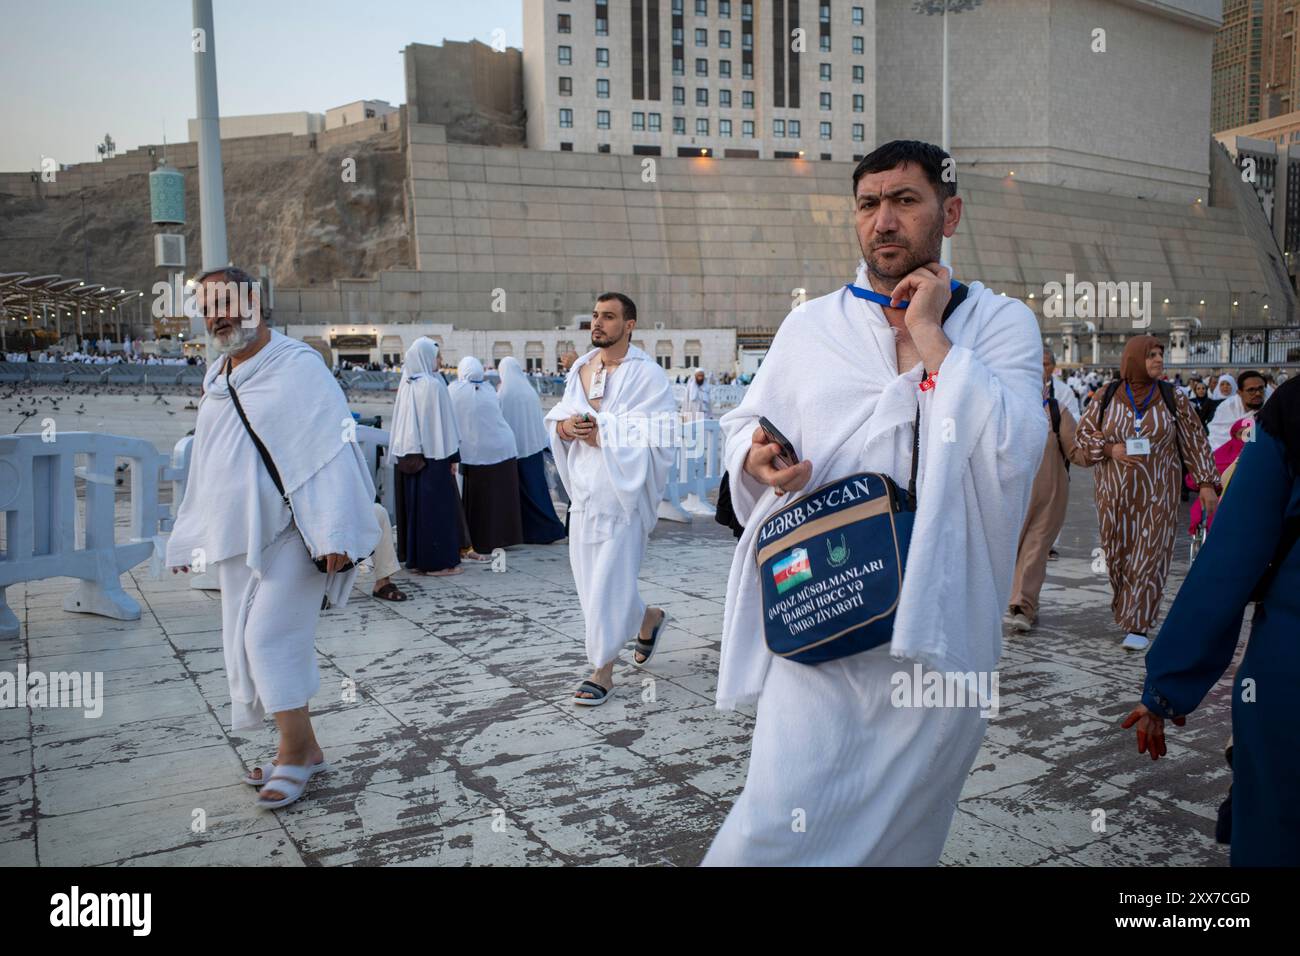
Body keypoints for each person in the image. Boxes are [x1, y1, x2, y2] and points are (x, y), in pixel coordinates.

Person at [703, 140, 1045, 866]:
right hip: (824, 610)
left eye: (904, 201)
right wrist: (757, 460)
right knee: (771, 823)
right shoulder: (811, 326)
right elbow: (744, 425)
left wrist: (928, 330)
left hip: (939, 627)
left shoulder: (998, 322)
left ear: (948, 212)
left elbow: (1015, 448)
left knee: (899, 840)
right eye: (868, 204)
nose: (883, 220)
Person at [166, 266, 380, 810]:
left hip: (302, 530)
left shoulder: (298, 366)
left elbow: (332, 448)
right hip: (246, 535)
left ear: (257, 304)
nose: (219, 315)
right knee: (245, 640)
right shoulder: (218, 380)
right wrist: (189, 537)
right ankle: (305, 747)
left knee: (268, 638)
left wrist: (334, 529)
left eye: (228, 302)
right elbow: (209, 467)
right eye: (209, 305)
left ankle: (292, 755)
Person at [1122, 376, 1300, 865]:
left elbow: (1231, 559)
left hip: (1291, 671)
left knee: (1279, 827)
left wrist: (1166, 686)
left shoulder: (1293, 409)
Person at [545, 292, 677, 706]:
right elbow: (560, 415)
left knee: (608, 582)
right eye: (595, 316)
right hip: (584, 494)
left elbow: (660, 433)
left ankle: (602, 669)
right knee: (591, 582)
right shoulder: (581, 369)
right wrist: (566, 429)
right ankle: (649, 619)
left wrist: (604, 434)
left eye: (608, 317)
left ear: (630, 325)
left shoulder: (647, 376)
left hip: (624, 496)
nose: (597, 324)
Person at [1073, 336, 1218, 651]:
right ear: (1134, 359)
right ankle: (1127, 608)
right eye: (1151, 355)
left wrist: (1206, 482)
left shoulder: (1173, 398)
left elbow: (1195, 440)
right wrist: (1111, 448)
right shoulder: (1106, 396)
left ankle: (1139, 623)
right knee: (1118, 555)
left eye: (1160, 355)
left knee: (1150, 556)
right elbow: (1082, 437)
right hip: (1114, 496)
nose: (1158, 360)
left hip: (1159, 494)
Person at [1007, 347, 1091, 631]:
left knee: (1035, 548)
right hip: (1010, 492)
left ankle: (1022, 606)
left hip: (1049, 492)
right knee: (1012, 548)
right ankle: (1018, 597)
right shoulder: (1004, 407)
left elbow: (1077, 451)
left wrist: (1105, 448)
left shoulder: (1057, 408)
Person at [390, 338, 463, 576]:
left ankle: (419, 560)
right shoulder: (434, 385)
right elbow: (447, 426)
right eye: (436, 356)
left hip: (412, 460)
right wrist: (454, 457)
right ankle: (438, 564)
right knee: (437, 511)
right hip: (435, 457)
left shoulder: (407, 384)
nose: (440, 361)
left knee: (417, 511)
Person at [448, 356, 523, 553]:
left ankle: (478, 540)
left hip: (474, 452)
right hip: (502, 448)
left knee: (479, 501)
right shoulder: (489, 389)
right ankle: (502, 538)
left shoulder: (453, 391)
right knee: (498, 498)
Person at [497, 355, 566, 544]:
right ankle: (548, 531)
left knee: (521, 496)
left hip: (514, 453)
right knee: (537, 492)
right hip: (533, 449)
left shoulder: (503, 394)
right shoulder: (529, 391)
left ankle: (530, 532)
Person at [1207, 370, 1267, 451]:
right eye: (1251, 390)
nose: (1258, 393)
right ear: (1239, 392)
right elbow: (1217, 437)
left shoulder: (1270, 408)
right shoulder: (1226, 407)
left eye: (1261, 388)